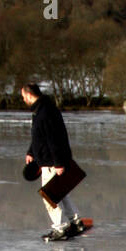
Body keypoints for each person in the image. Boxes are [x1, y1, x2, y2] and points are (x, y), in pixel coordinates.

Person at [21, 82, 88, 242]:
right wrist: (31, 152)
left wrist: (58, 163)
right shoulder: (41, 109)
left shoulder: (44, 112)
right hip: (48, 160)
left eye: (23, 96)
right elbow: (39, 136)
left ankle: (60, 227)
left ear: (29, 95)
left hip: (51, 162)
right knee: (61, 193)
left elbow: (54, 139)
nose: (23, 99)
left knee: (50, 197)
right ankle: (76, 222)